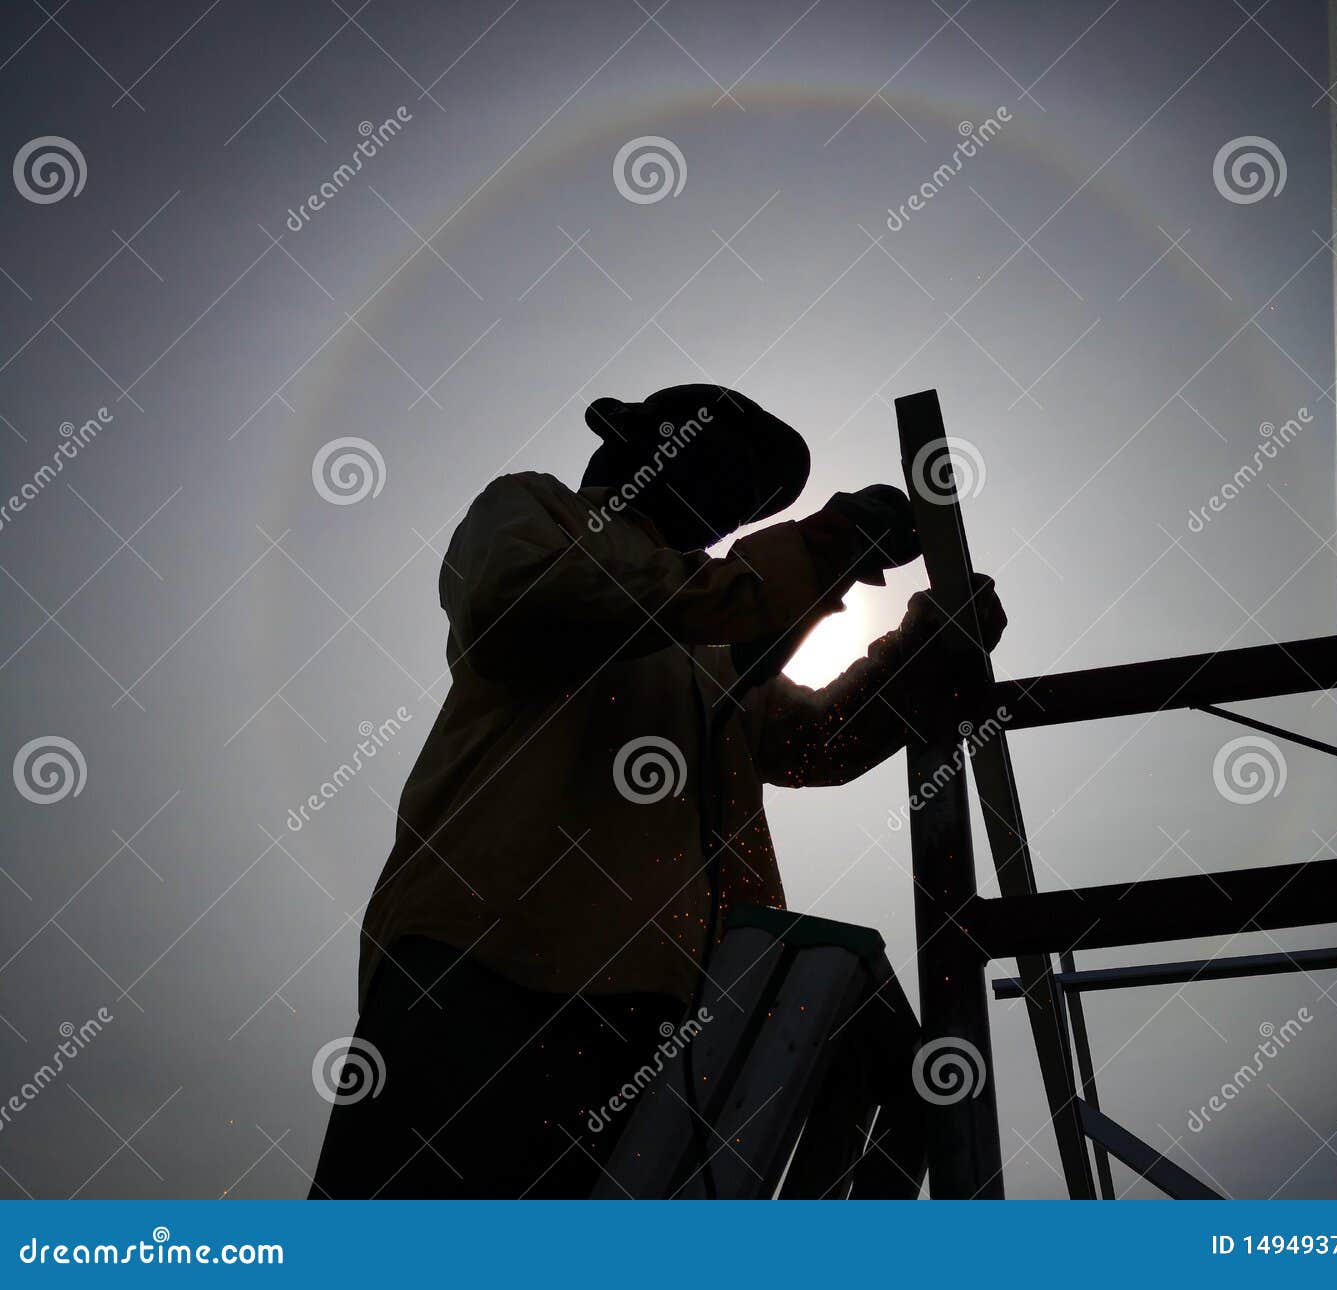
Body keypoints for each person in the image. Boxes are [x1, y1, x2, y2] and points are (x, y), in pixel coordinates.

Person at [311, 384, 1005, 1198]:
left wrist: (921, 649)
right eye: (726, 469)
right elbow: (529, 598)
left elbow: (810, 742)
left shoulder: (705, 638)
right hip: (486, 963)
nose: (734, 503)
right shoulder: (534, 515)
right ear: (633, 439)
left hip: (658, 1009)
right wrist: (822, 549)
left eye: (749, 495)